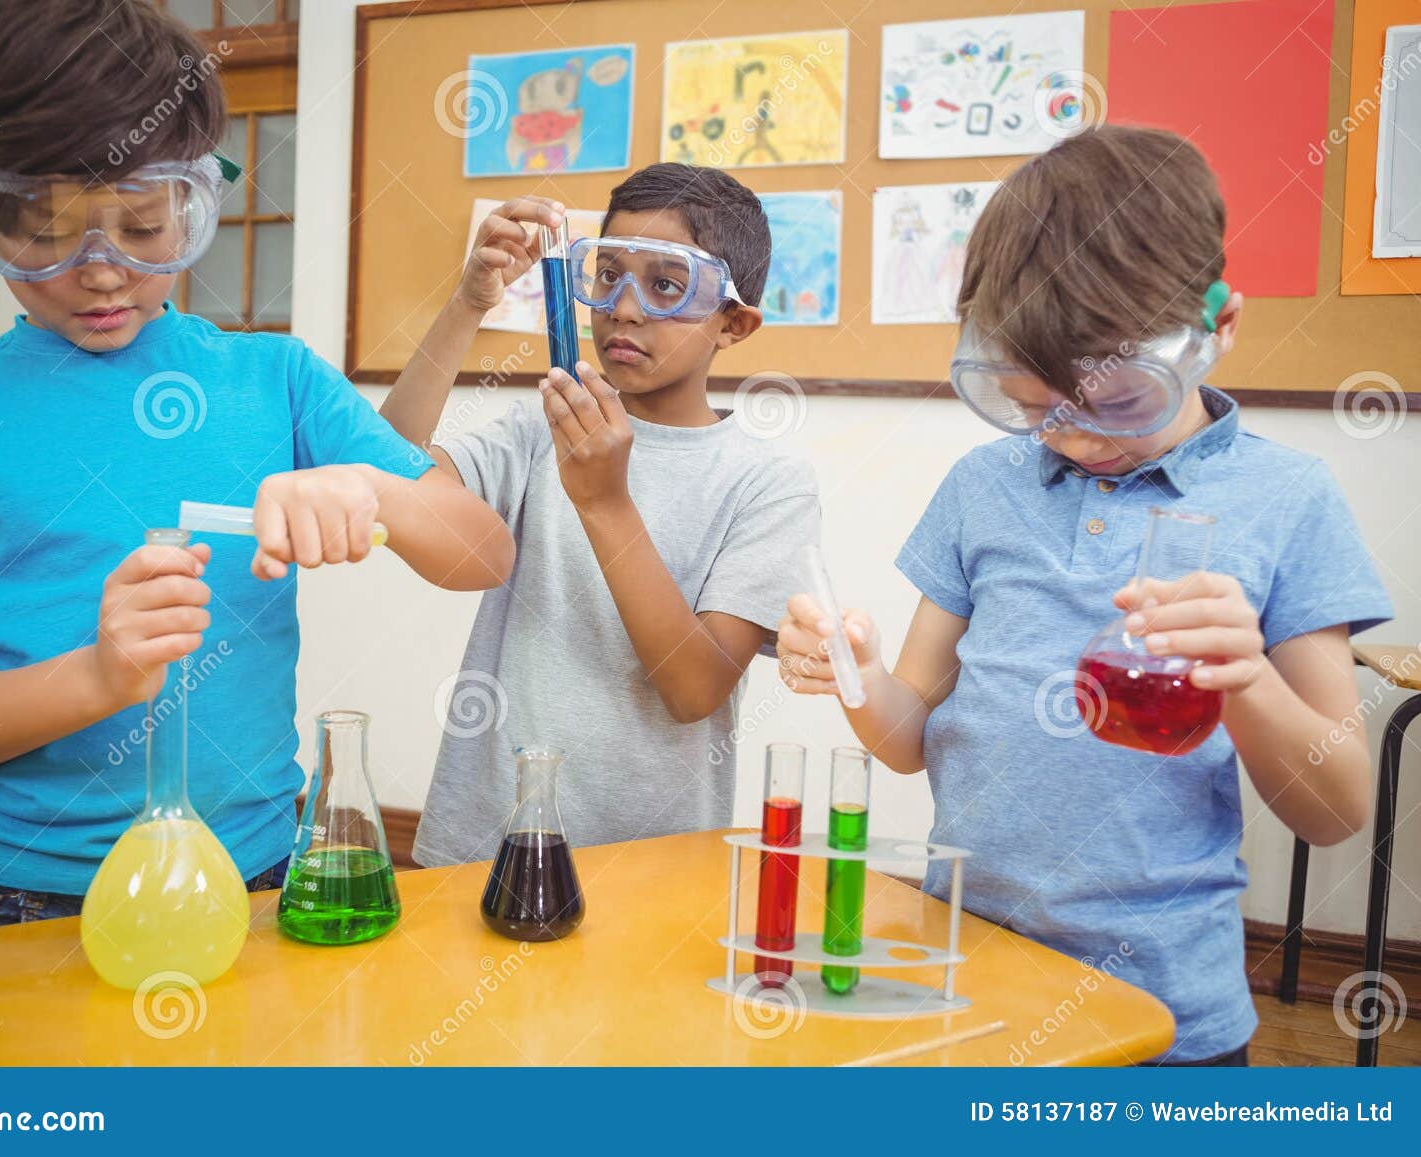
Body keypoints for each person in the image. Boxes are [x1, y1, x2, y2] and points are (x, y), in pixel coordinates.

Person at [0, 0, 513, 944]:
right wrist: (100, 676)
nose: (101, 272)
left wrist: (376, 491)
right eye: (43, 230)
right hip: (22, 899)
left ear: (196, 197)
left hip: (256, 875)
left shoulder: (276, 379)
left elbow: (481, 552)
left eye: (146, 227)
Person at [777, 125, 1391, 1065]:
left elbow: (1336, 807)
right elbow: (906, 740)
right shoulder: (984, 486)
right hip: (967, 977)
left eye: (1118, 404)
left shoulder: (1288, 500)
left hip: (1165, 1012)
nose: (1071, 439)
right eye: (1034, 409)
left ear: (1218, 329)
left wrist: (1250, 683)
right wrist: (856, 674)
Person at [380, 163, 821, 866]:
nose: (623, 306)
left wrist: (604, 502)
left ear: (732, 322)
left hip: (644, 870)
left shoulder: (768, 483)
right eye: (605, 272)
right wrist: (467, 303)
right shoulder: (537, 434)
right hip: (481, 845)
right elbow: (390, 471)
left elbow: (693, 688)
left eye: (666, 285)